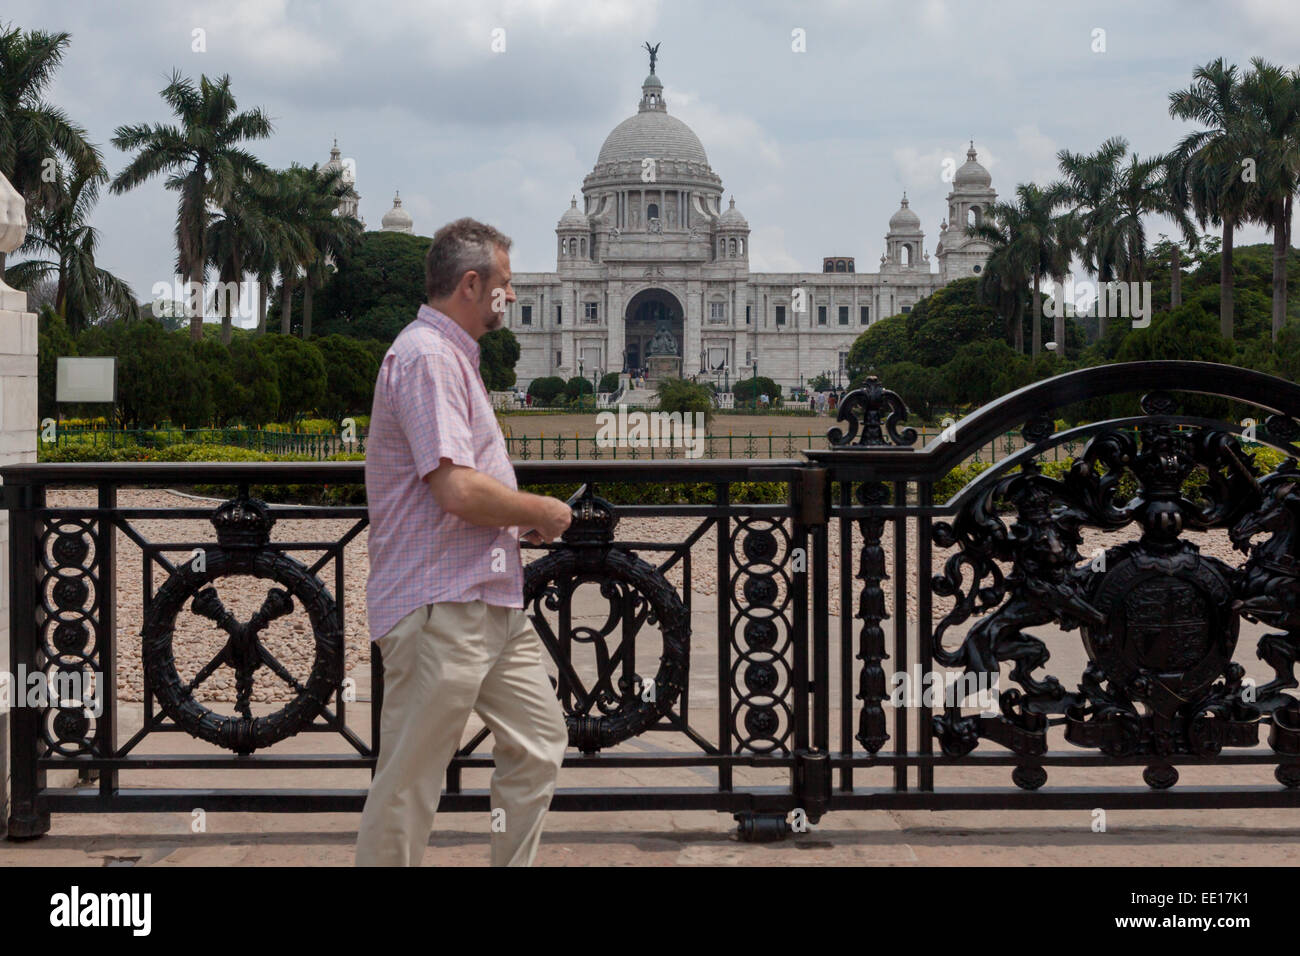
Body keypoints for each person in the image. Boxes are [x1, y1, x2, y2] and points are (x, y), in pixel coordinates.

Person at [355, 218, 572, 867]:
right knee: (409, 783)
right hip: (438, 604)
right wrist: (539, 508)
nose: (511, 297)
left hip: (488, 598)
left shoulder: (454, 357)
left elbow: (466, 488)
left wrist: (512, 519)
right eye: (504, 286)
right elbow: (453, 488)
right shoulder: (426, 356)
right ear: (472, 284)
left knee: (538, 741)